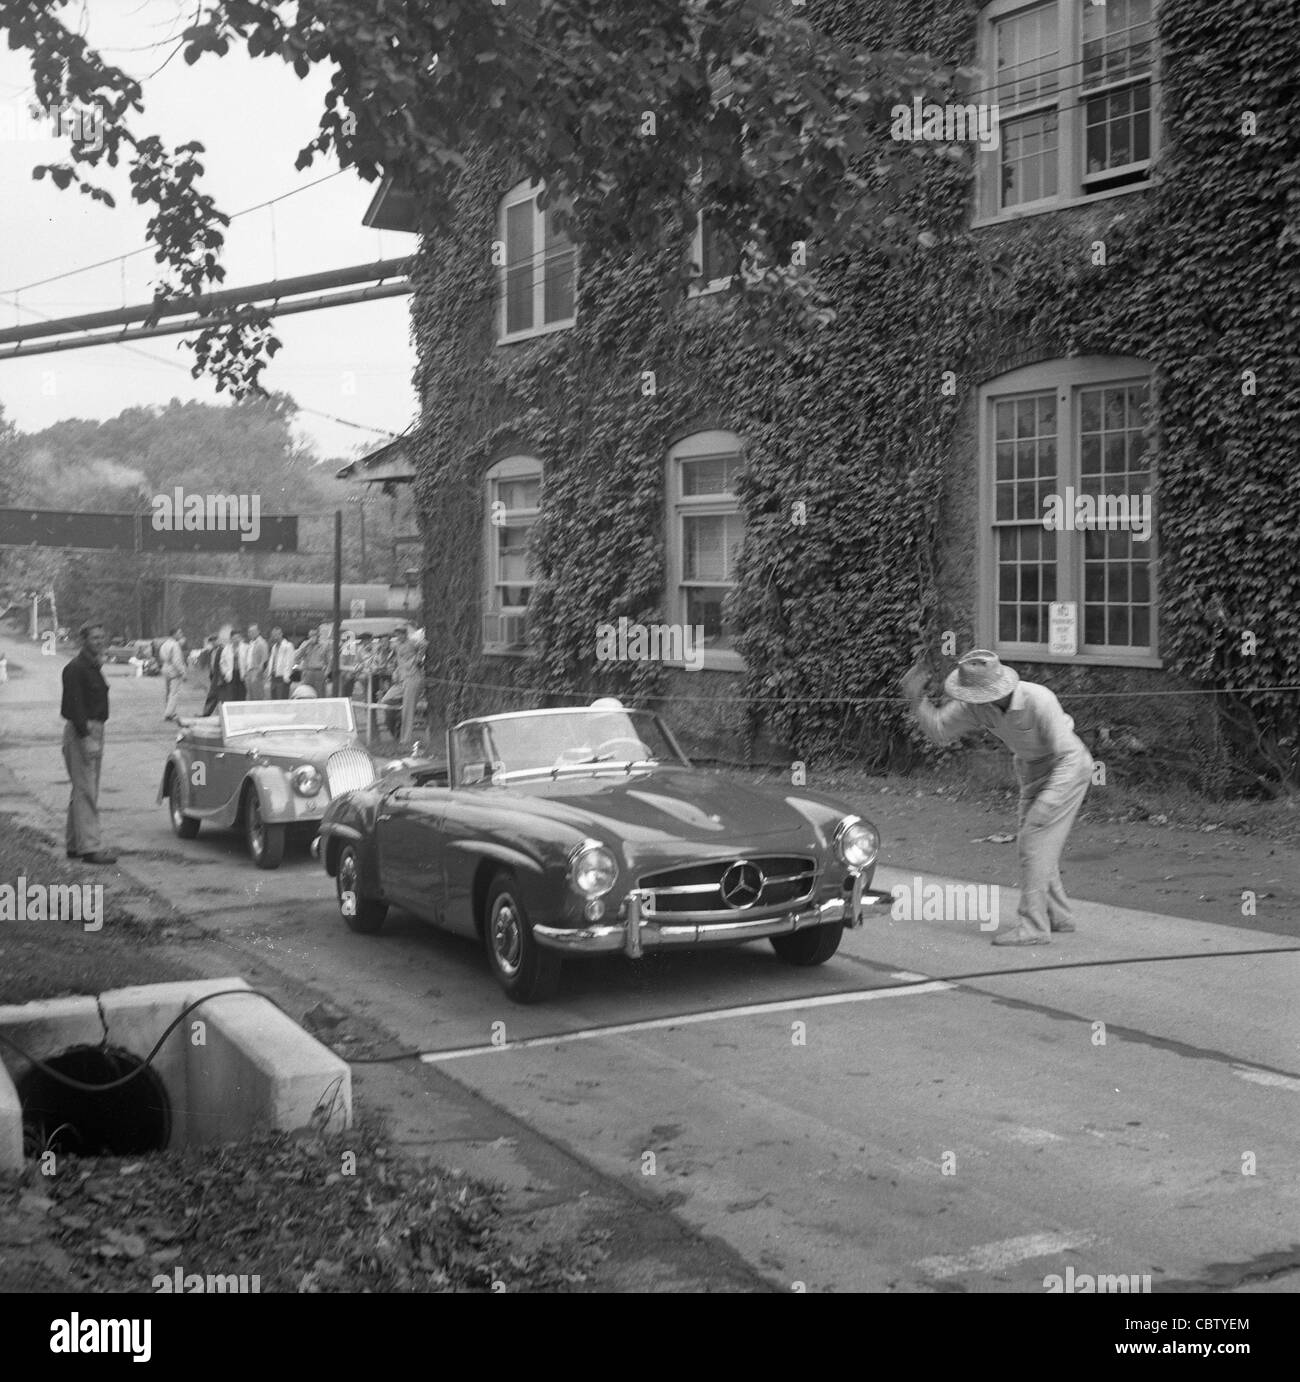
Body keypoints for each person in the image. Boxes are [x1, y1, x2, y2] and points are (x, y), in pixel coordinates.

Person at [901, 649, 1094, 947]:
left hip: (1068, 765)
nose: (972, 702)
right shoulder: (975, 704)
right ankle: (1058, 916)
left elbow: (1068, 755)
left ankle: (1033, 927)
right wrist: (917, 700)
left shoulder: (1038, 698)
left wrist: (1048, 804)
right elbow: (940, 730)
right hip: (1030, 768)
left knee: (1034, 838)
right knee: (1036, 842)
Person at [60, 621, 117, 864]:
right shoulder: (75, 668)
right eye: (94, 637)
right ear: (83, 640)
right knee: (86, 791)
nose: (99, 641)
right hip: (82, 731)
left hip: (95, 729)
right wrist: (86, 738)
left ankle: (75, 844)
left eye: (102, 637)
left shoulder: (93, 666)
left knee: (81, 790)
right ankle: (91, 848)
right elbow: (73, 707)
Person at [392, 625, 424, 746]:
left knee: (408, 709)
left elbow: (424, 644)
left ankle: (405, 739)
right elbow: (399, 662)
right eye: (396, 634)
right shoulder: (397, 646)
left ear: (405, 634)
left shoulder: (412, 642)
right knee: (387, 699)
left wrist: (417, 659)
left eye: (400, 633)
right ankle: (400, 734)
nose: (398, 636)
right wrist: (396, 672)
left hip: (413, 677)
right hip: (402, 680)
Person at [158, 625, 186, 722]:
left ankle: (169, 711)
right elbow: (177, 661)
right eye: (179, 633)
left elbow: (161, 656)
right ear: (174, 634)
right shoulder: (175, 645)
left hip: (166, 668)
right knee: (174, 693)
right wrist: (183, 672)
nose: (181, 635)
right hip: (174, 671)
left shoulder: (164, 644)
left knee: (168, 692)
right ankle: (169, 714)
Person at [266, 625, 295, 699]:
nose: (275, 637)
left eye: (276, 634)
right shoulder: (274, 647)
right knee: (274, 699)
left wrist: (287, 676)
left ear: (281, 634)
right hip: (273, 677)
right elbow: (272, 662)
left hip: (282, 678)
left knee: (281, 699)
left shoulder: (288, 646)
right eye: (273, 635)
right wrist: (269, 673)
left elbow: (289, 662)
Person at [245, 623, 269, 700]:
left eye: (252, 631)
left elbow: (264, 659)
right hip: (249, 672)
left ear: (258, 632)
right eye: (249, 632)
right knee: (250, 695)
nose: (250, 634)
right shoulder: (251, 643)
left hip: (256, 672)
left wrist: (258, 673)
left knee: (258, 695)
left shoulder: (262, 643)